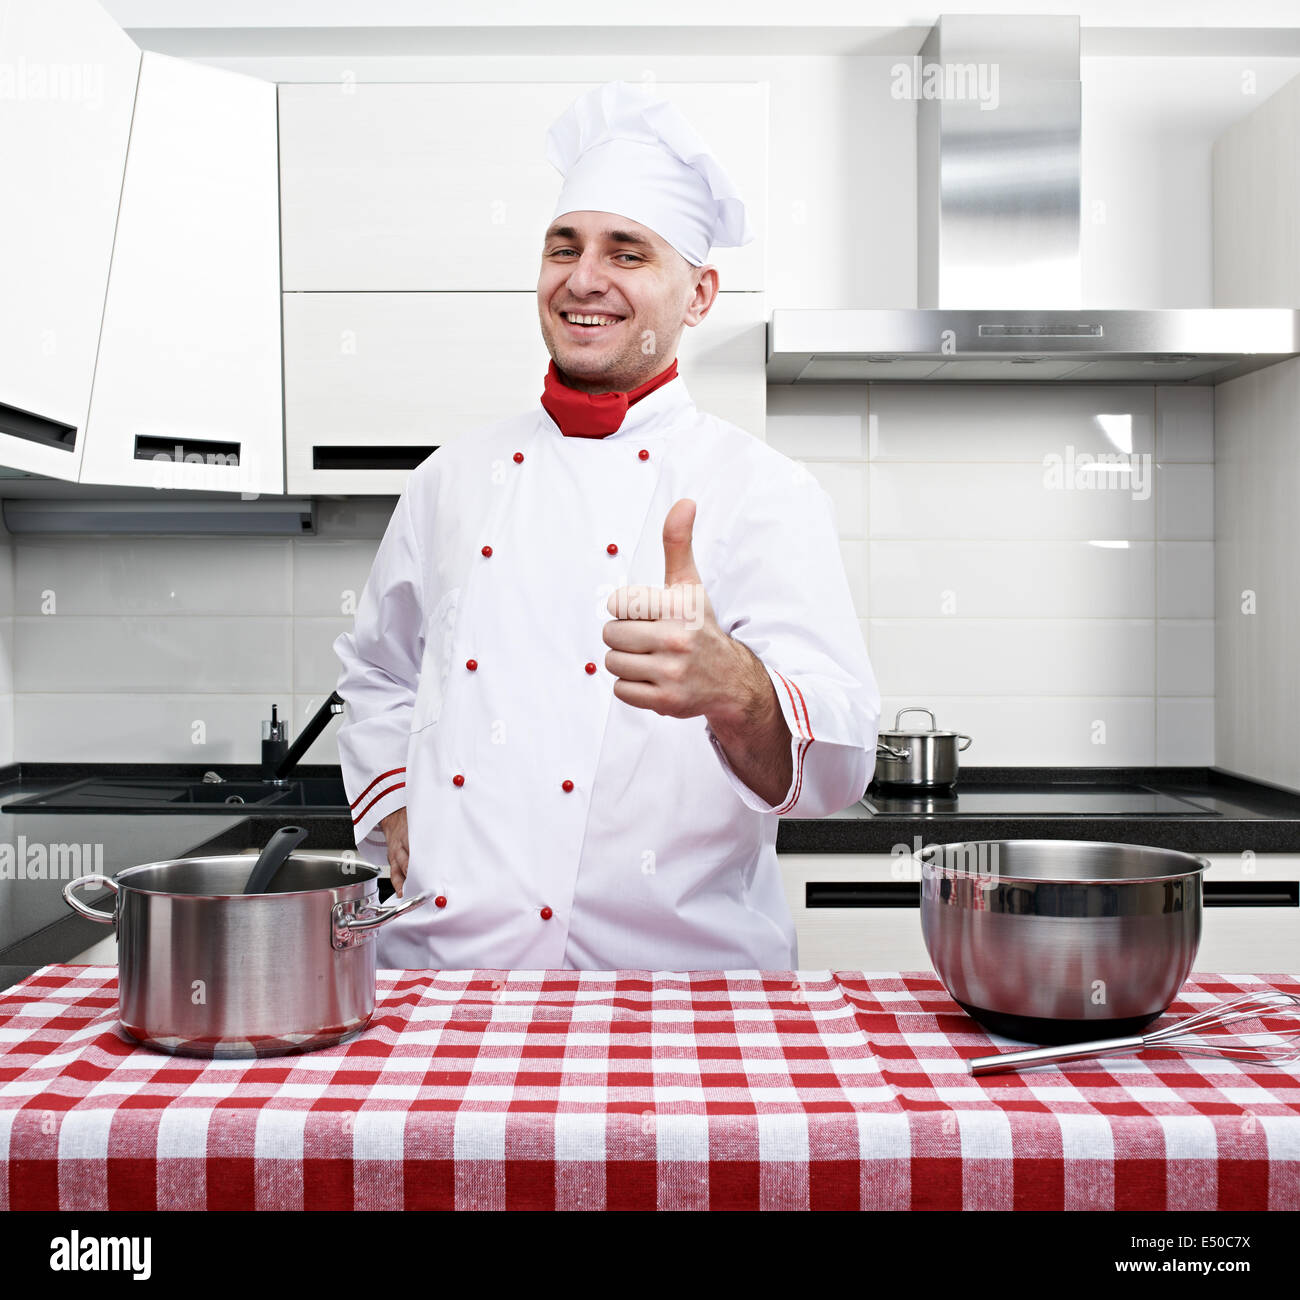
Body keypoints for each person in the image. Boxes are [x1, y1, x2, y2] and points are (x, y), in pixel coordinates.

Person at [333, 80, 881, 971]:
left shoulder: (763, 491)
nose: (583, 279)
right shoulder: (448, 481)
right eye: (564, 246)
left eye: (627, 253)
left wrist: (736, 688)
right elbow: (379, 673)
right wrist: (394, 804)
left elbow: (842, 766)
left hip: (682, 990)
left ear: (699, 295)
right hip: (445, 979)